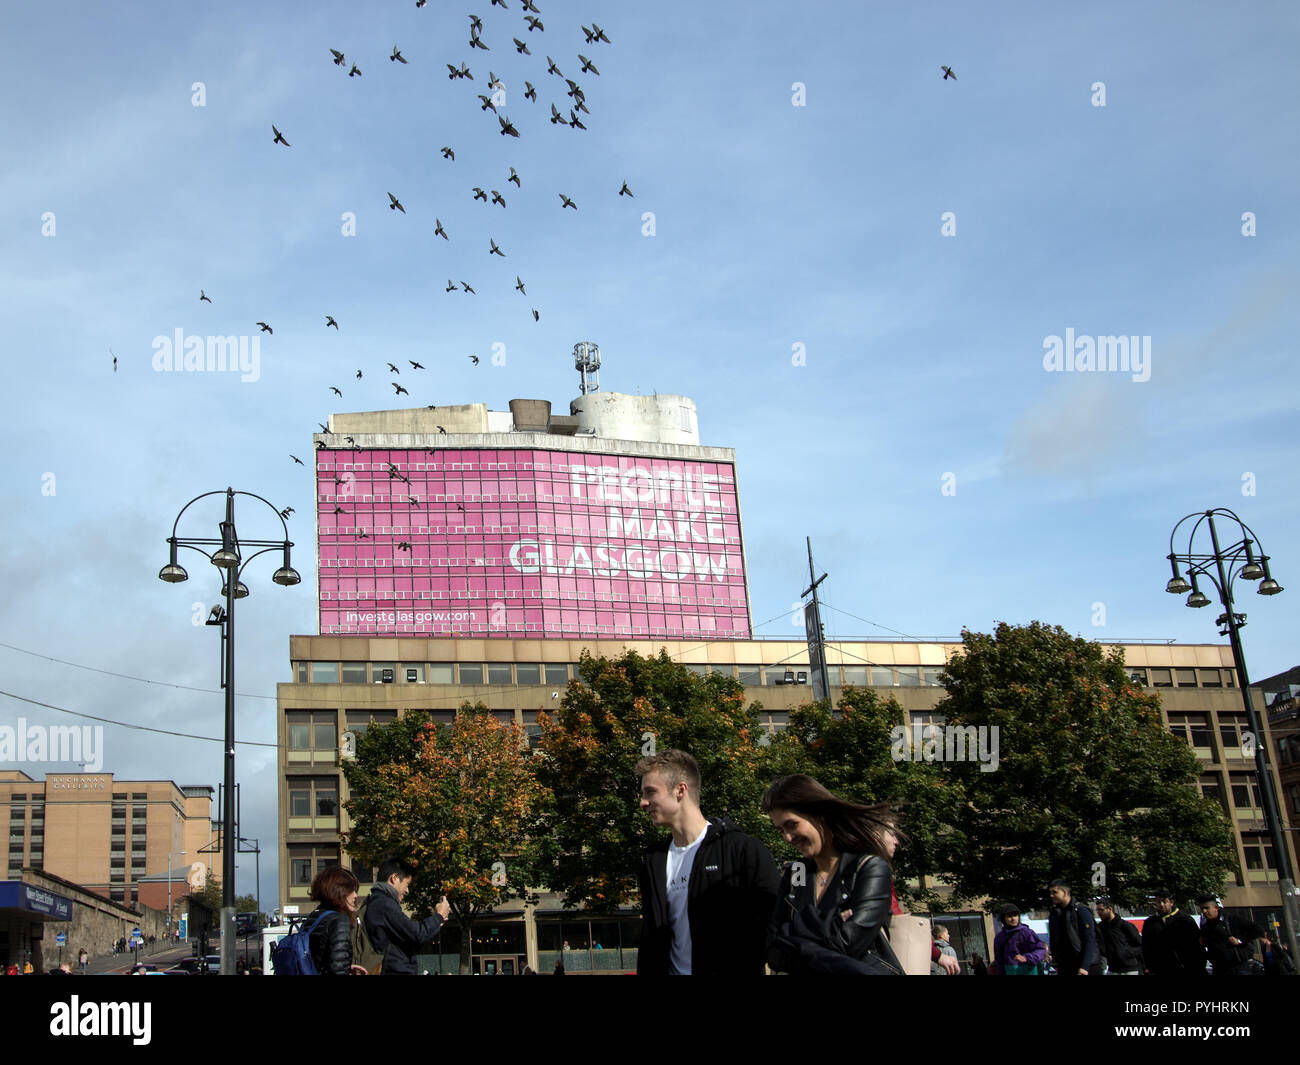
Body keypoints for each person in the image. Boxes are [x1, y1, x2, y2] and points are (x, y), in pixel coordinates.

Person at [635, 750, 779, 975]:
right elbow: (652, 937)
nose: (643, 802)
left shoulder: (742, 850)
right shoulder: (653, 861)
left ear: (680, 790)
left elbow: (772, 925)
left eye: (650, 792)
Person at [762, 773, 904, 975]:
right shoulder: (797, 874)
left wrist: (794, 935)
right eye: (780, 830)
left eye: (792, 825)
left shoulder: (868, 868)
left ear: (819, 814)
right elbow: (774, 953)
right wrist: (831, 923)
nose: (787, 837)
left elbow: (849, 944)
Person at [363, 857, 451, 975]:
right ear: (394, 878)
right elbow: (417, 934)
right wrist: (439, 916)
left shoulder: (380, 902)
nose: (407, 891)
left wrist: (437, 922)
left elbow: (411, 940)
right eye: (407, 884)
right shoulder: (384, 904)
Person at [305, 865, 365, 976]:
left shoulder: (314, 917)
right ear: (338, 891)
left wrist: (347, 967)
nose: (356, 895)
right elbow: (337, 970)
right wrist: (344, 969)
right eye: (351, 890)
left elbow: (320, 961)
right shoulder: (339, 920)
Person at [1141, 888, 1206, 976]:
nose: (1161, 905)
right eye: (1158, 902)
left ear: (1171, 902)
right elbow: (1147, 947)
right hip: (1161, 968)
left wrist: (1198, 965)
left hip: (1187, 967)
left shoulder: (1185, 920)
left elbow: (1197, 945)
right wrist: (1149, 966)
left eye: (1164, 901)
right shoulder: (1150, 923)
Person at [1195, 894, 1262, 976]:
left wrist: (1240, 940)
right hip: (1219, 967)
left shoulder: (1230, 919)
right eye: (1202, 909)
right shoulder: (1206, 925)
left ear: (1216, 907)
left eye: (1207, 908)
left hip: (1237, 967)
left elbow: (1257, 929)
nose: (1204, 911)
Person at [1047, 880, 1102, 976]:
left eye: (1055, 892)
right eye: (1050, 893)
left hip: (1086, 966)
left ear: (1065, 892)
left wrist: (1084, 966)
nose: (1051, 895)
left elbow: (1089, 939)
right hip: (1065, 966)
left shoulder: (1081, 911)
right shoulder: (1055, 913)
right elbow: (1054, 939)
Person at [1094, 897, 1143, 975]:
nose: (1099, 913)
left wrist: (1127, 953)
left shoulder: (1125, 926)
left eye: (1101, 910)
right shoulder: (1100, 928)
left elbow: (1140, 945)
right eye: (1098, 910)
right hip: (1112, 969)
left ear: (1110, 909)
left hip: (1129, 969)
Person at [991, 904, 1044, 975]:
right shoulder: (1000, 937)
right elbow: (999, 960)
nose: (1013, 919)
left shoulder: (1027, 933)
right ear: (1003, 918)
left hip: (1030, 971)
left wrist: (1027, 958)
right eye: (1009, 916)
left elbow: (1040, 950)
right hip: (1010, 971)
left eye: (1015, 915)